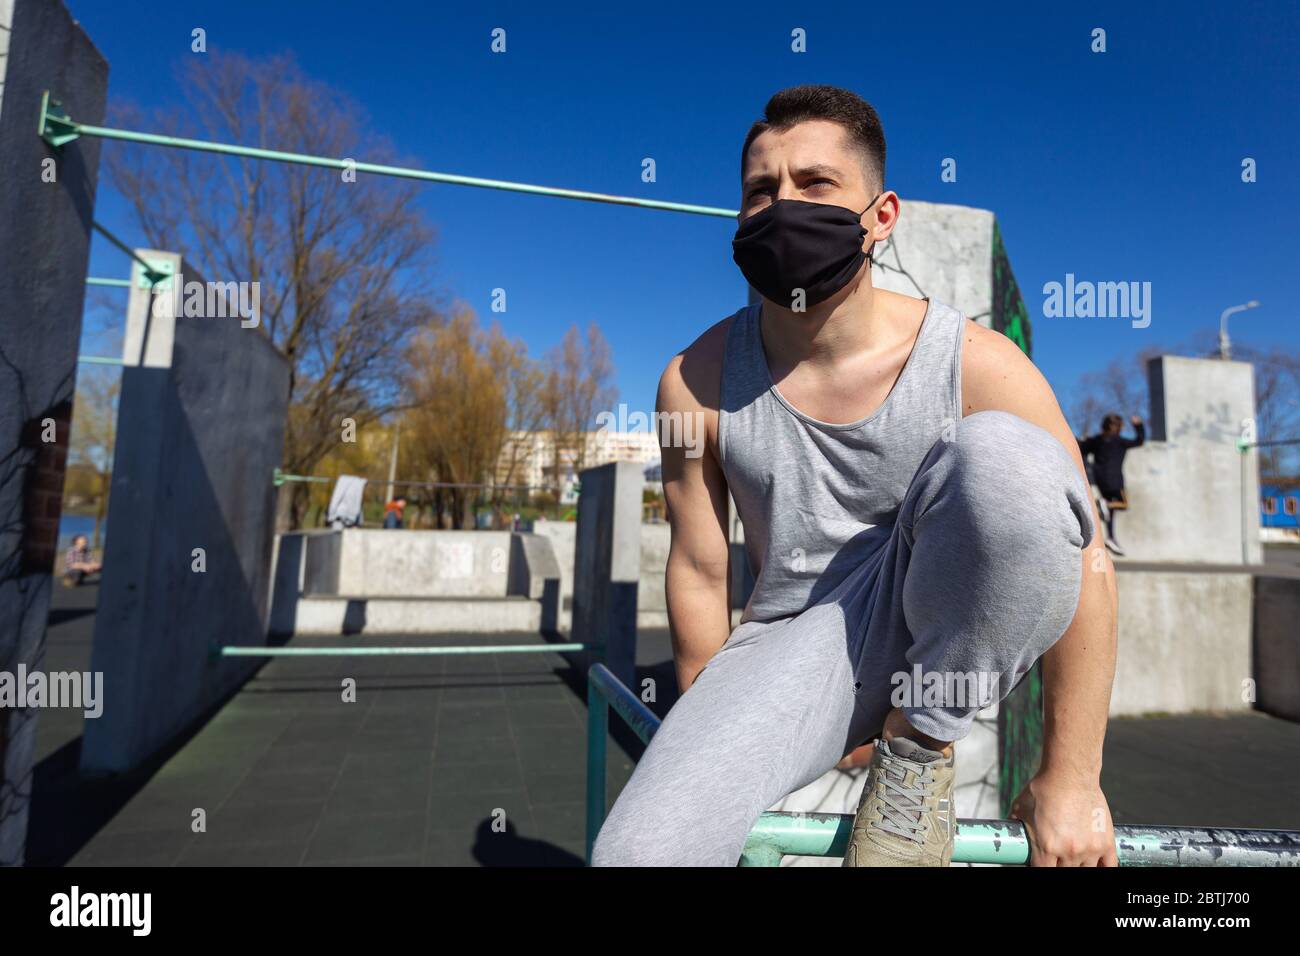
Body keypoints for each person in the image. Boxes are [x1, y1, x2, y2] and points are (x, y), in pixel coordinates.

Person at [592, 85, 1118, 868]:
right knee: (637, 854)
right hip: (792, 642)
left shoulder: (978, 364)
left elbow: (1086, 561)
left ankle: (918, 747)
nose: (782, 205)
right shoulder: (693, 380)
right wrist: (707, 733)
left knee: (1009, 460)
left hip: (943, 632)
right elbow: (701, 567)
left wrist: (1072, 778)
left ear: (882, 215)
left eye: (815, 185)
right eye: (761, 191)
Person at [1077, 414, 1145, 556]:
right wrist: (1138, 425)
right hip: (1114, 480)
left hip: (1100, 480)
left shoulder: (1097, 440)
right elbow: (1139, 441)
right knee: (1122, 503)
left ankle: (1110, 537)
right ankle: (1105, 505)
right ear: (1119, 428)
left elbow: (1080, 448)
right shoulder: (1120, 441)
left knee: (1109, 513)